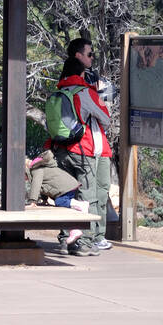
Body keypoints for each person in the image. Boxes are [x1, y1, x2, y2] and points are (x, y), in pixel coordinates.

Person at [50, 36, 114, 251]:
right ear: (80, 69)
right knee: (87, 195)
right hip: (84, 149)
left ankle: (64, 237)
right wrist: (101, 97)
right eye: (89, 55)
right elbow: (105, 118)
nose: (92, 58)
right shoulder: (84, 91)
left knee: (67, 194)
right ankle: (83, 242)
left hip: (61, 149)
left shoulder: (59, 91)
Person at [24, 149, 93, 254]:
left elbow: (36, 185)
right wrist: (44, 200)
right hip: (69, 186)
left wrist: (32, 201)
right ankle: (74, 230)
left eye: (23, 177)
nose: (24, 179)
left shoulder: (36, 170)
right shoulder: (39, 168)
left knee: (60, 202)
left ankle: (81, 205)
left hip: (66, 187)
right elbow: (44, 185)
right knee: (65, 209)